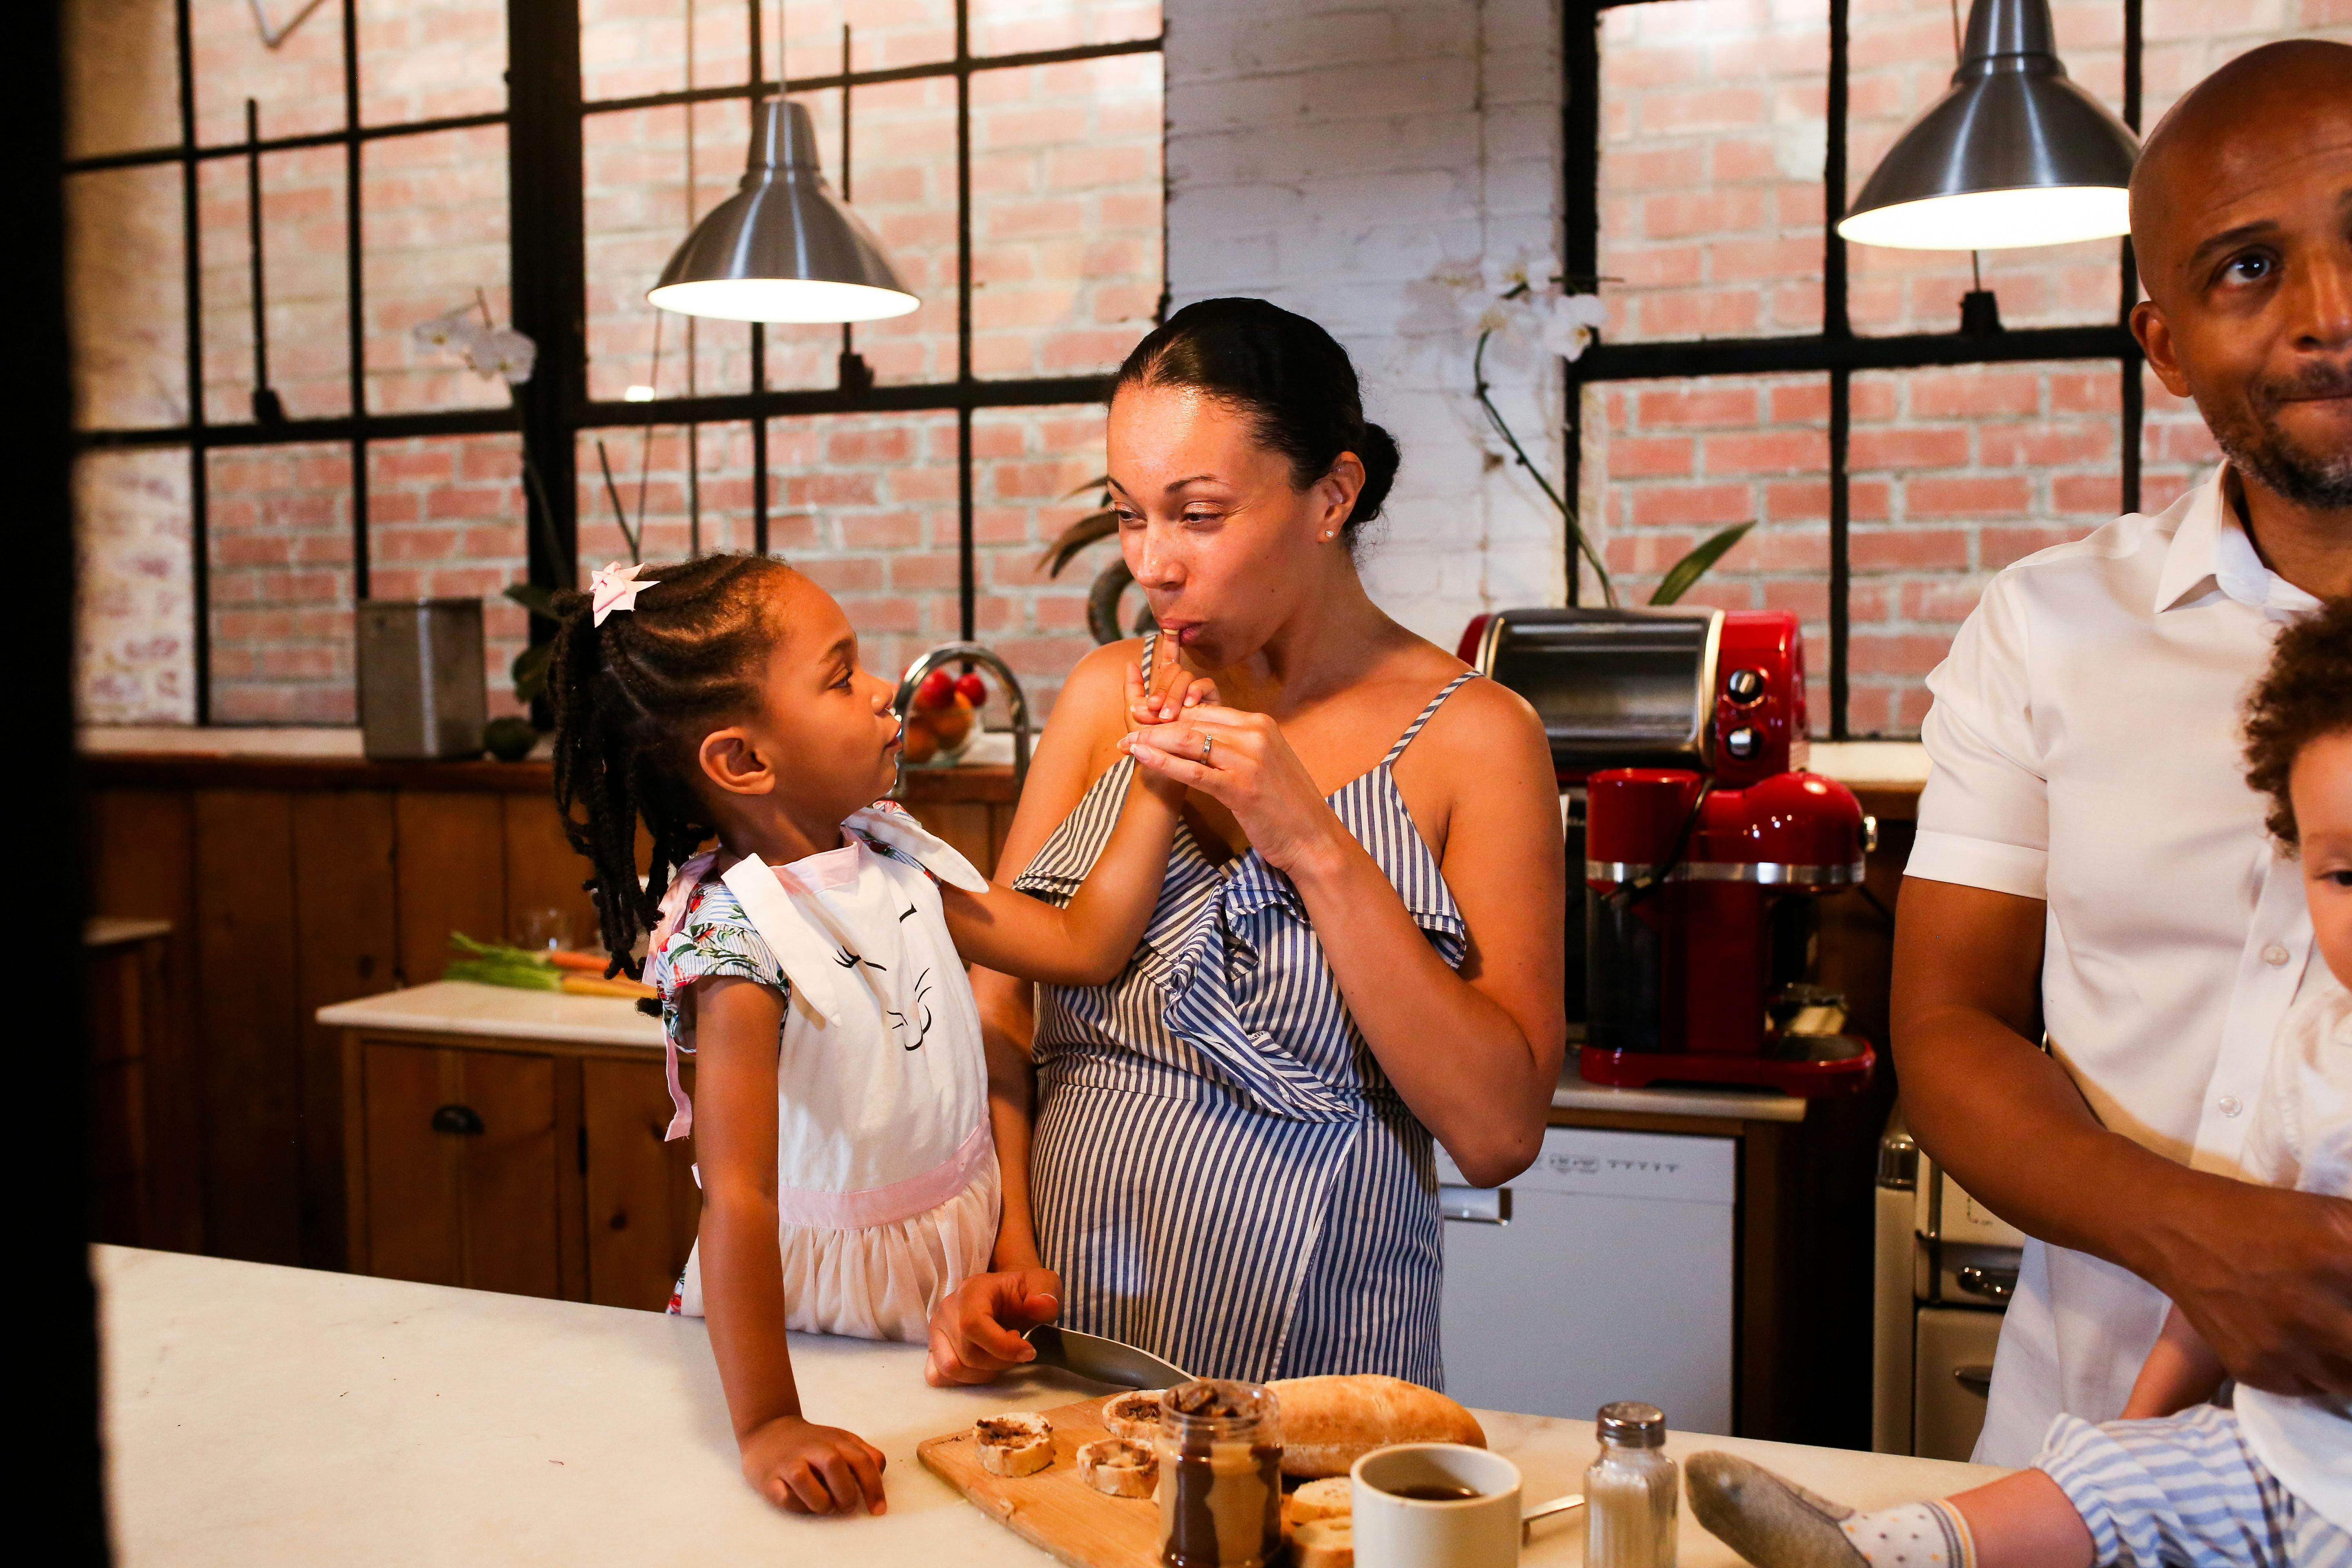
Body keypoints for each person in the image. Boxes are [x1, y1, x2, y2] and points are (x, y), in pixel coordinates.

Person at [923, 297, 1568, 1392]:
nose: (1152, 566)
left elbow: (1498, 1130)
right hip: (1068, 1323)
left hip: (1325, 1354)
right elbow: (1000, 1005)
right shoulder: (1101, 698)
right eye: (1131, 516)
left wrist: (1310, 837)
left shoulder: (1477, 738)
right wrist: (1006, 1241)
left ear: (1332, 494)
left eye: (1199, 514)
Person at [1889, 38, 2352, 1466]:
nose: (2328, 315)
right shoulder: (2046, 631)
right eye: (2247, 270)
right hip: (2078, 1447)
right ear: (2164, 346)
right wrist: (2205, 1239)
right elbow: (1950, 1025)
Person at [1685, 597, 2352, 1568]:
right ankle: (1885, 1551)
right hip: (2269, 1458)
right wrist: (2140, 1434)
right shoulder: (2317, 1052)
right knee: (2092, 1480)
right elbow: (2224, 1278)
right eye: (2345, 877)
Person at [546, 552, 1212, 1517]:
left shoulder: (895, 856)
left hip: (947, 1287)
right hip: (822, 1318)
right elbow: (736, 1198)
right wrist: (773, 1422)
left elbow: (1082, 943)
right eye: (839, 674)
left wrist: (1158, 783)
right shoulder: (737, 941)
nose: (878, 692)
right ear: (743, 760)